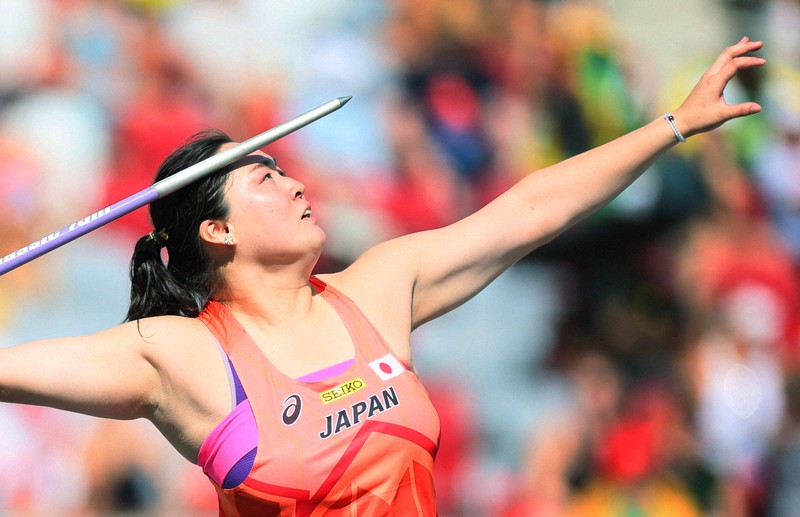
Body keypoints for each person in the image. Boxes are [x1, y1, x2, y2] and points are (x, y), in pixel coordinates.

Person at [0, 38, 765, 516]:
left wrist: (671, 127)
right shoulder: (180, 355)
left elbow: (529, 208)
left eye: (286, 169)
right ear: (217, 229)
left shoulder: (378, 287)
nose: (295, 184)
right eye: (263, 178)